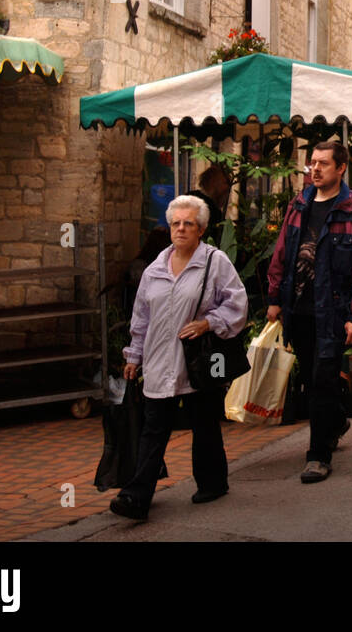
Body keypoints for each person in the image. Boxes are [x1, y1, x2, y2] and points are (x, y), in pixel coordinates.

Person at [110, 195, 248, 520]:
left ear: (200, 229)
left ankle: (213, 482)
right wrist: (134, 356)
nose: (182, 229)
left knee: (205, 425)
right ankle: (136, 497)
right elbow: (141, 316)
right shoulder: (154, 268)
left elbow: (237, 304)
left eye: (189, 224)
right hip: (159, 361)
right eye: (176, 223)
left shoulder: (215, 262)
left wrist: (208, 323)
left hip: (198, 361)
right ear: (169, 228)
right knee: (153, 428)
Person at [265, 141, 352, 484]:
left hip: (333, 310)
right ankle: (337, 420)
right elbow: (282, 252)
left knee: (322, 378)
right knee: (314, 380)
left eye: (323, 164)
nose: (315, 169)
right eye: (312, 163)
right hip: (298, 308)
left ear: (340, 167)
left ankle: (317, 456)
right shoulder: (298, 205)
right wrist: (274, 297)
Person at [191, 163, 231, 239]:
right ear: (214, 183)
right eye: (226, 182)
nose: (228, 187)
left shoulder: (189, 196)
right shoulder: (213, 211)